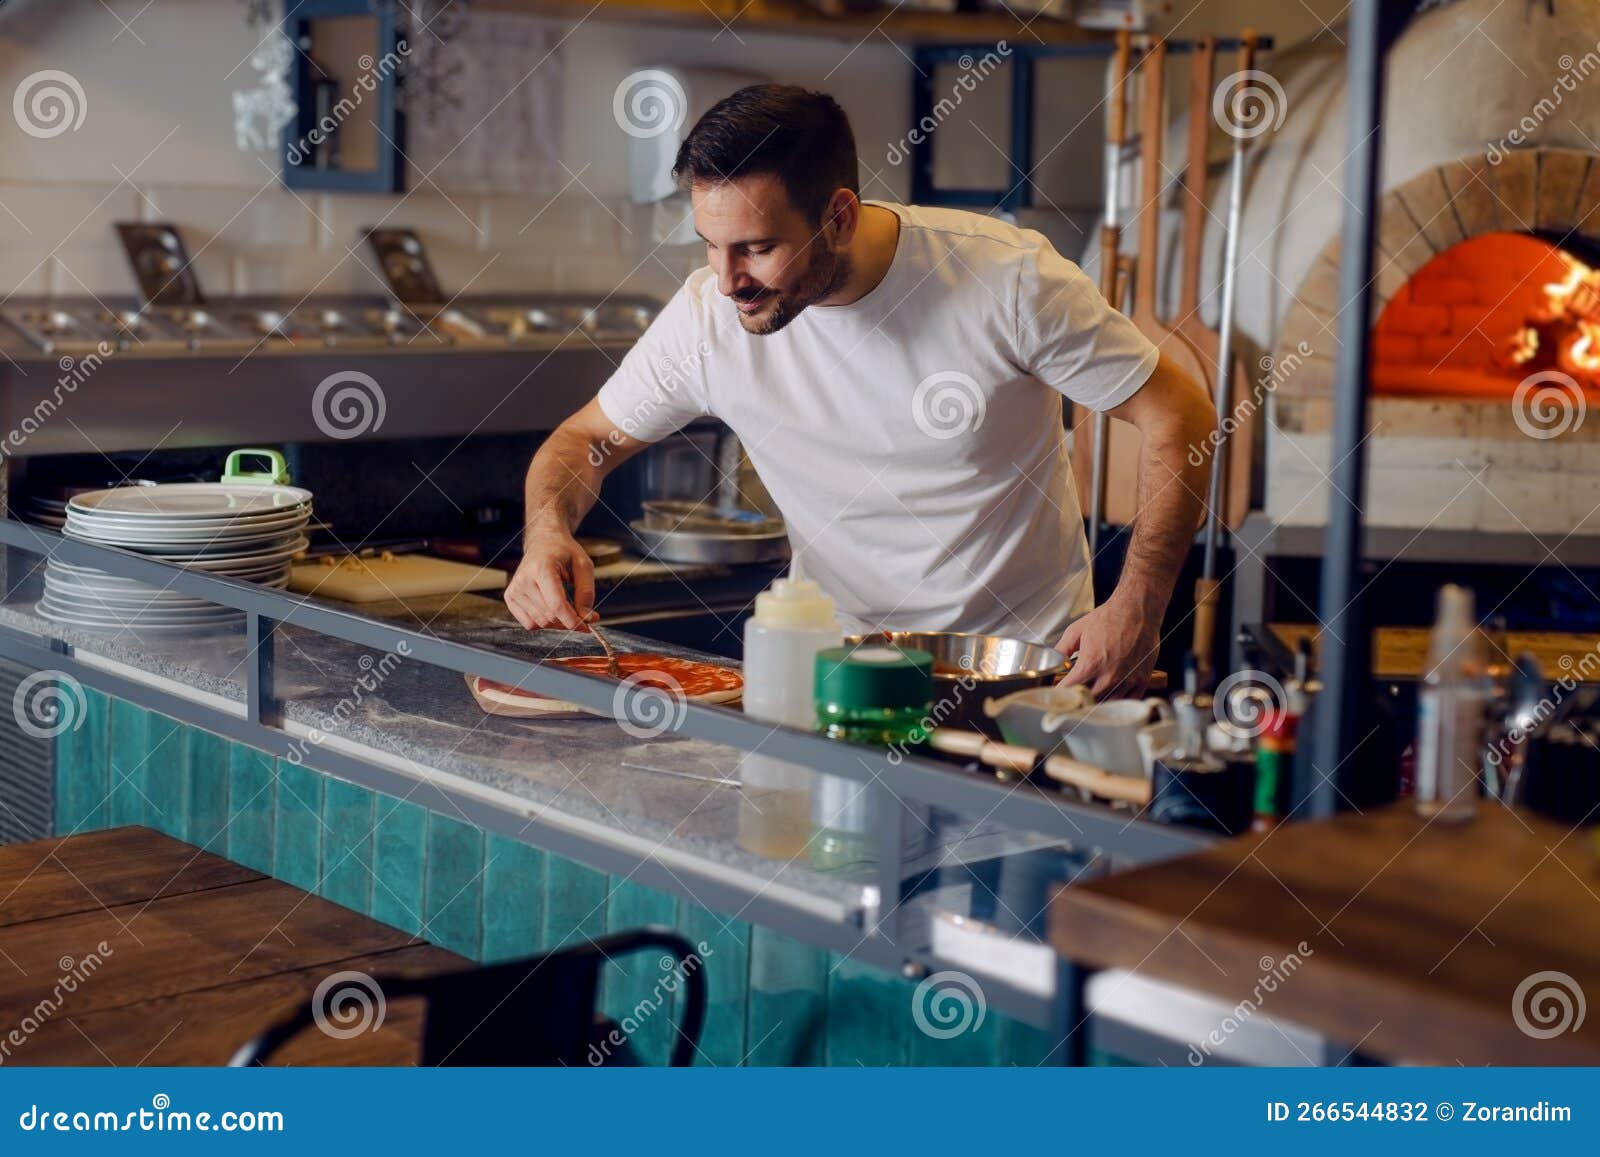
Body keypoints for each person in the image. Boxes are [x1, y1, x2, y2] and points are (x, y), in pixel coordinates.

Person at [504, 84, 1216, 697]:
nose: (728, 281)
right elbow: (586, 439)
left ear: (838, 216)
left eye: (756, 248)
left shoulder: (1007, 280)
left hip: (1021, 679)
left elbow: (1180, 413)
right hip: (837, 681)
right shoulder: (707, 317)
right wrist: (546, 532)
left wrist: (1139, 606)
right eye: (709, 246)